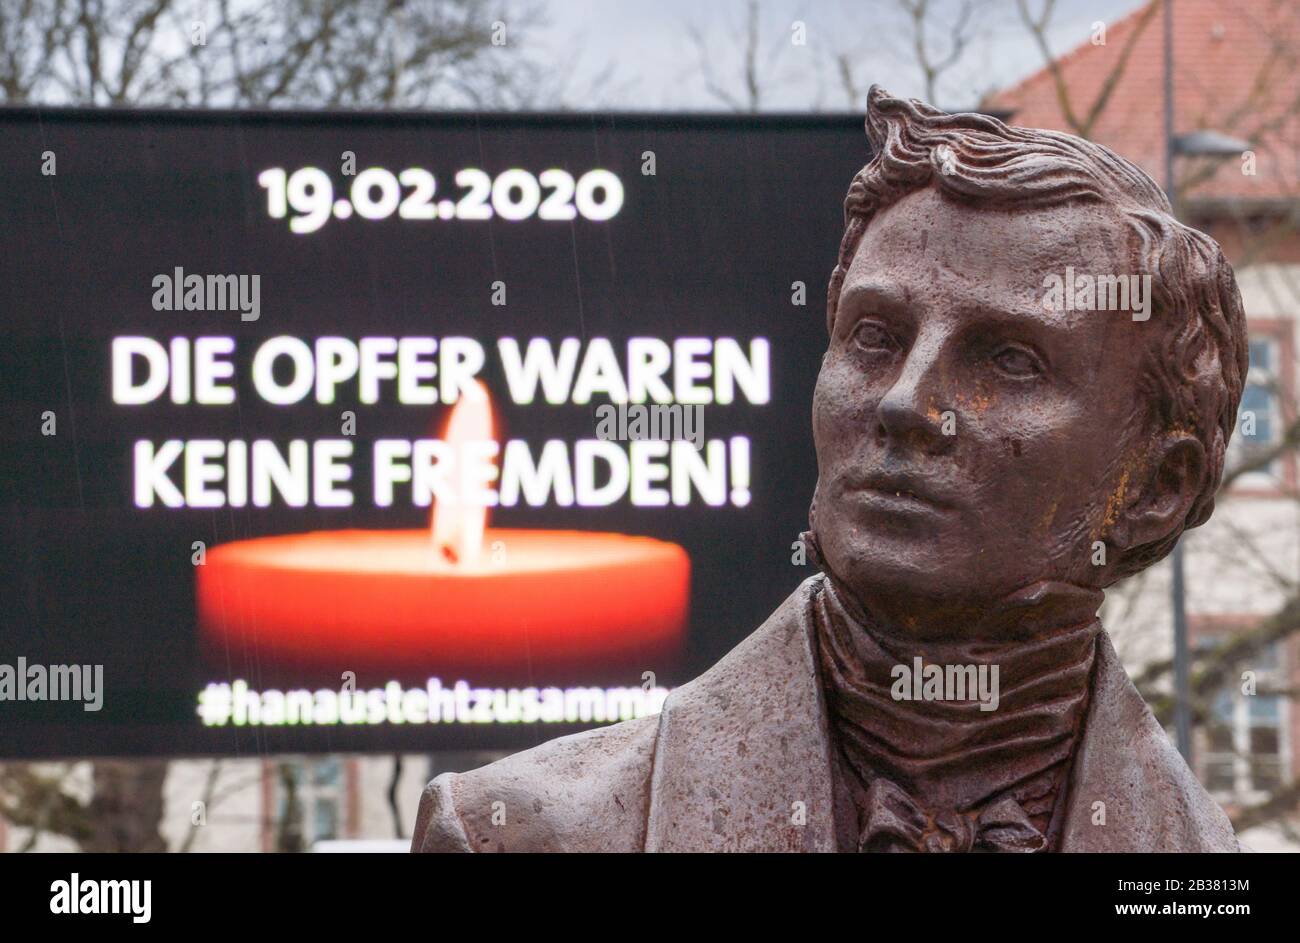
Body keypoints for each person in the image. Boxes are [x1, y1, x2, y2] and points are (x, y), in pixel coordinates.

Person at [412, 86, 1246, 853]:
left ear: (1157, 485)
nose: (906, 403)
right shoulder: (522, 835)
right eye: (875, 337)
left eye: (1010, 360)